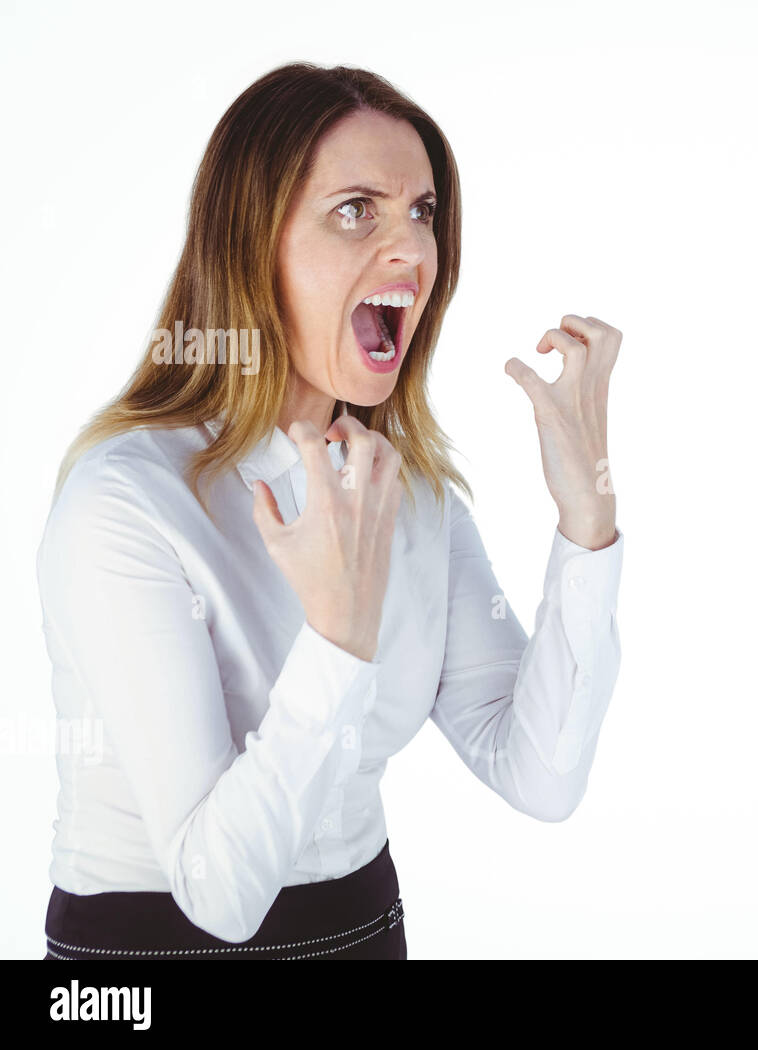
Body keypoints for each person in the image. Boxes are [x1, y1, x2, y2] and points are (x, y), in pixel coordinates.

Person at [37, 62, 624, 960]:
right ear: (251, 245)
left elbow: (539, 774)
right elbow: (219, 893)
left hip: (362, 931)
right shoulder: (125, 501)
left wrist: (588, 520)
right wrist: (339, 632)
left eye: (423, 213)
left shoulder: (413, 494)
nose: (415, 253)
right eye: (357, 210)